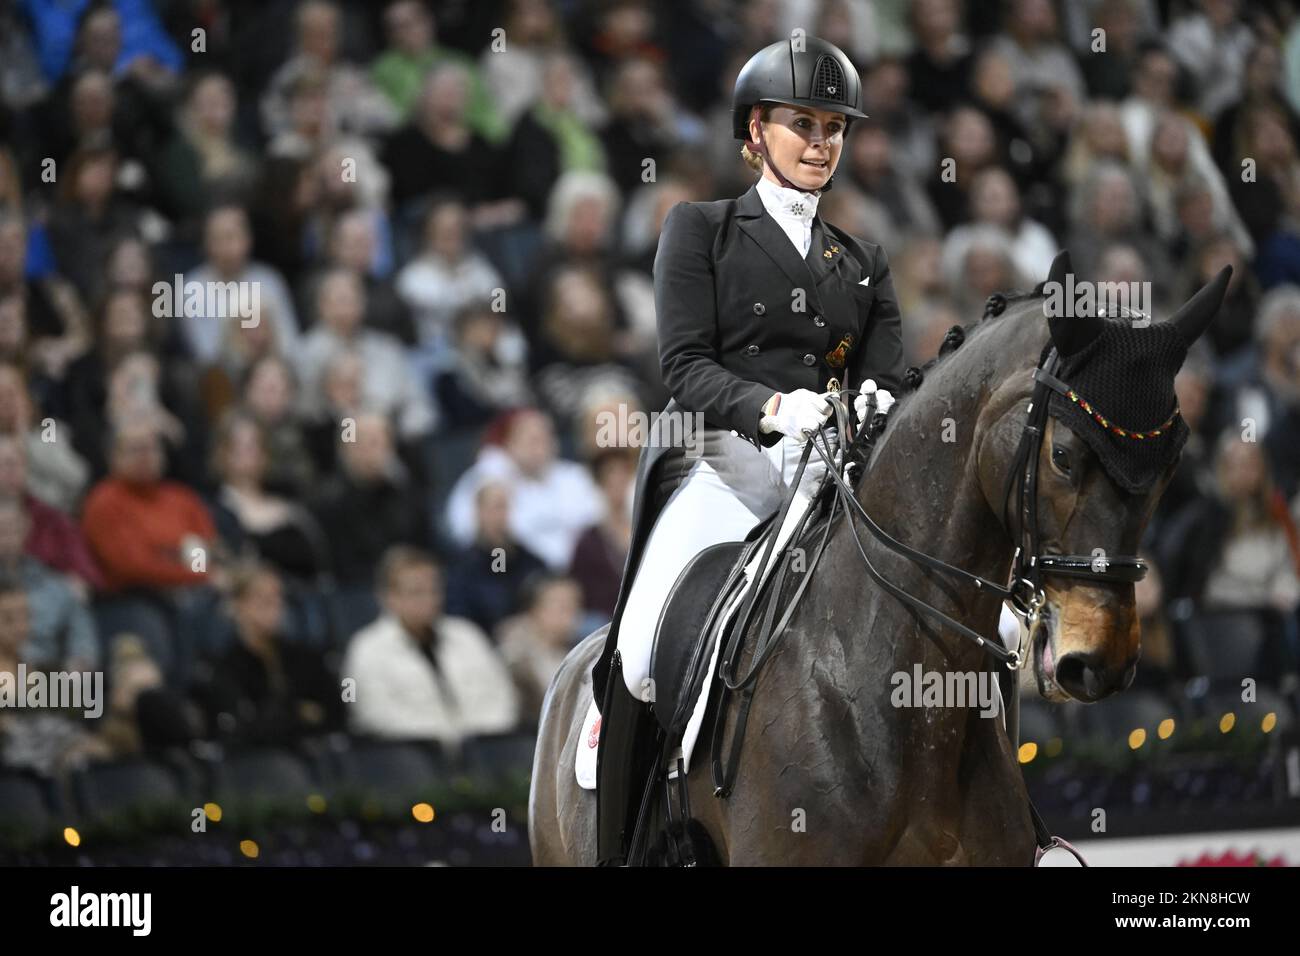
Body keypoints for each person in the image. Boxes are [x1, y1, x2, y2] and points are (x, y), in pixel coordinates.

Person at [588, 36, 905, 865]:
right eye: (802, 123)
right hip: (723, 458)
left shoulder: (863, 262)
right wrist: (771, 405)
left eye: (835, 127)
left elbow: (887, 380)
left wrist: (876, 404)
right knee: (644, 642)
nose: (822, 142)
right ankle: (626, 842)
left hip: (833, 472)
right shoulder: (699, 229)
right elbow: (683, 367)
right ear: (755, 131)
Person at [340, 546, 519, 747]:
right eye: (416, 592)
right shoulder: (366, 648)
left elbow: (503, 696)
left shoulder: (468, 635)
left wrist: (474, 736)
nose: (429, 600)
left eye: (434, 590)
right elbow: (374, 714)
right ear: (388, 597)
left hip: (483, 752)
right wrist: (448, 737)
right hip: (409, 760)